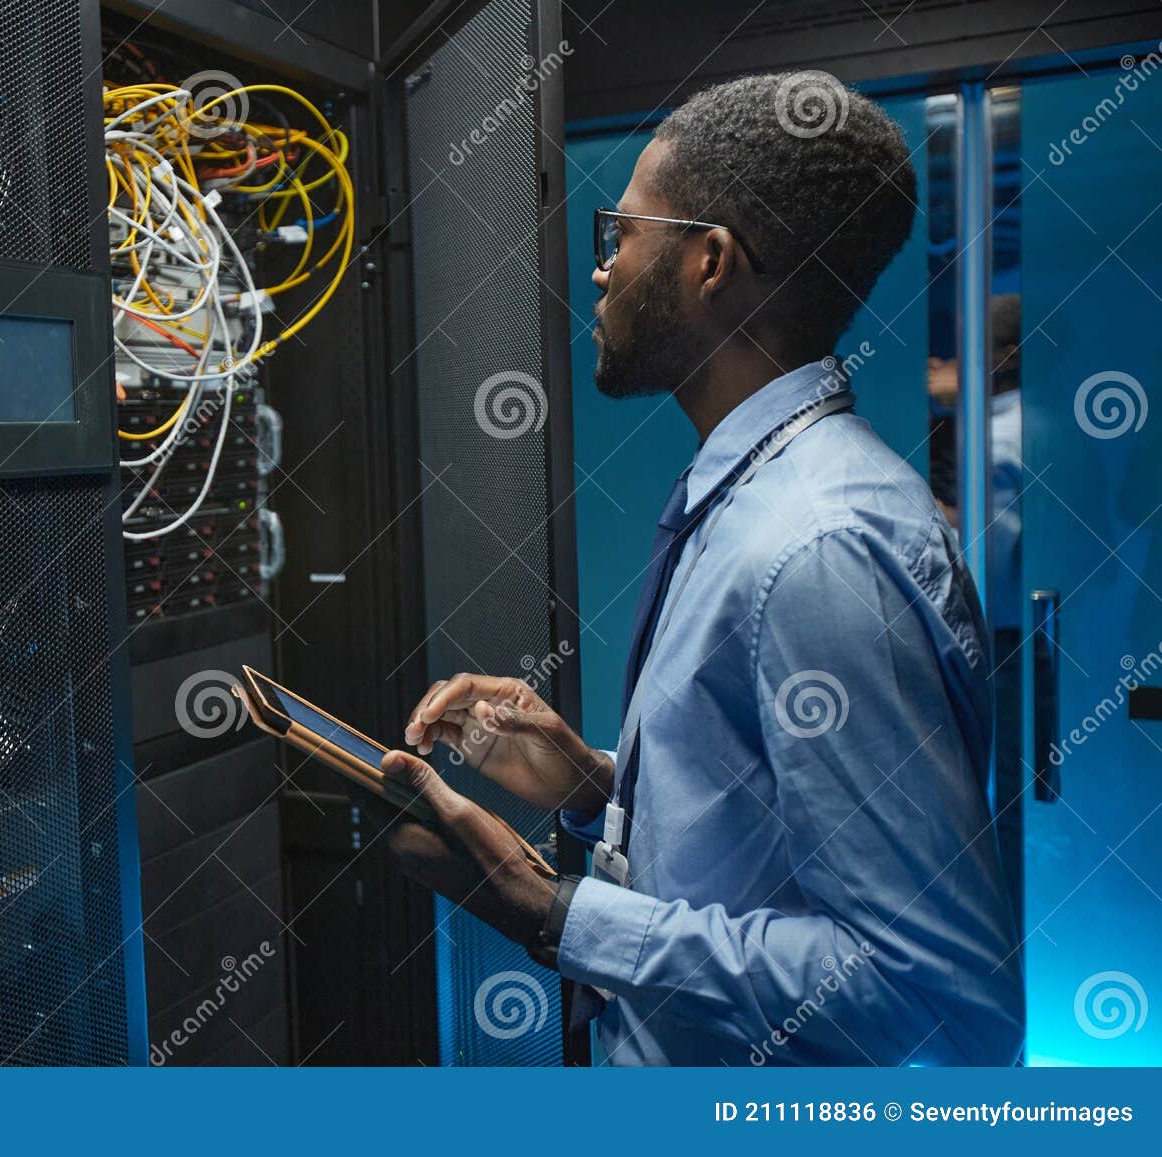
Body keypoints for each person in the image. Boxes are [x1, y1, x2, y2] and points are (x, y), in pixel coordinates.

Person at [379, 73, 1025, 1066]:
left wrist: (556, 909)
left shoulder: (815, 547)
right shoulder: (758, 496)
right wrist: (599, 784)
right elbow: (777, 852)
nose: (600, 271)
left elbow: (939, 1000)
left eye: (621, 234)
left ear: (708, 261)